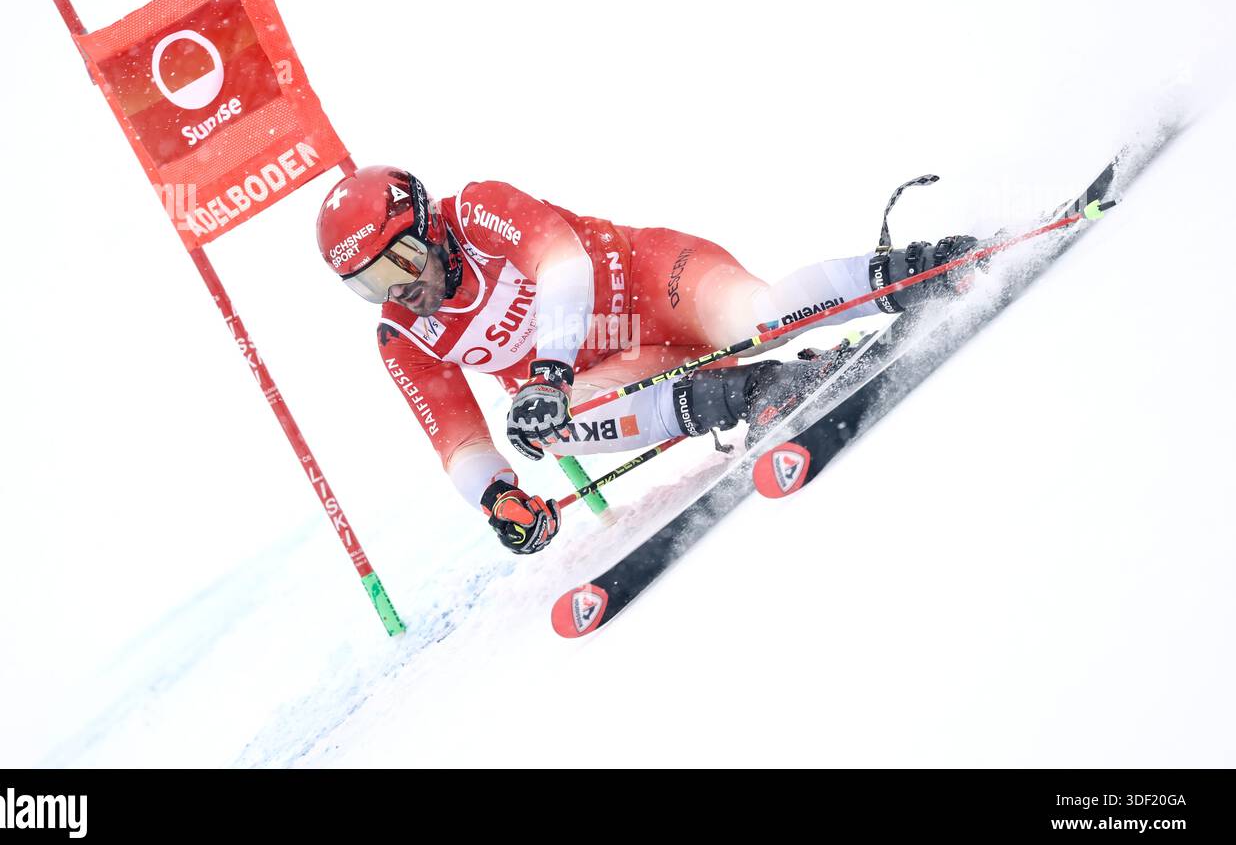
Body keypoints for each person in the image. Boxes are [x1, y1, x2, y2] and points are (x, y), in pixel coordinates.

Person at [315, 166, 978, 555]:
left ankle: (919, 269)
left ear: (429, 225)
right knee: (552, 424)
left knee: (755, 315)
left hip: (653, 286)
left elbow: (563, 264)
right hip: (617, 371)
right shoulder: (405, 334)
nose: (398, 290)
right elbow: (456, 441)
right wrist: (501, 500)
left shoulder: (480, 210)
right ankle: (759, 391)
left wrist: (546, 374)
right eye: (369, 285)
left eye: (399, 262)